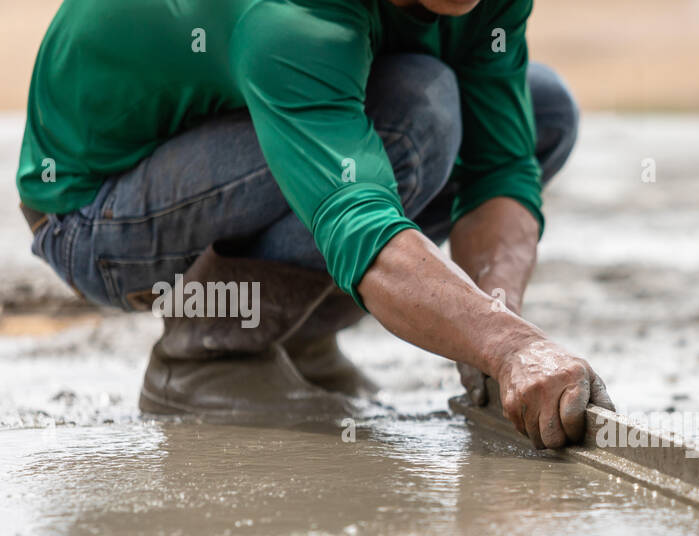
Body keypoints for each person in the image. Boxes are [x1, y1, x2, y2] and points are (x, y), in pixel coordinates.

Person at [16, 0, 612, 447]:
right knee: (415, 113)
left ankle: (296, 332)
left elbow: (500, 170)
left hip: (236, 120)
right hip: (94, 215)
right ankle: (208, 356)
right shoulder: (295, 14)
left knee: (543, 111)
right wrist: (512, 348)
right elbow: (358, 221)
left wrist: (494, 319)